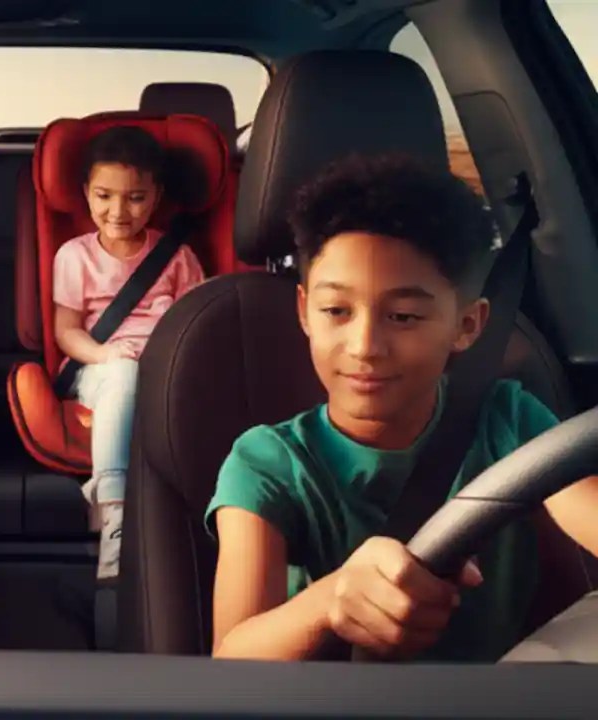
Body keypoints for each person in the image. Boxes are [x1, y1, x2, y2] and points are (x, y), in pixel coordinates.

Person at [208, 154, 598, 662]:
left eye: (404, 316)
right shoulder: (267, 463)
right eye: (336, 311)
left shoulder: (508, 420)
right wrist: (330, 600)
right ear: (304, 311)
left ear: (467, 326)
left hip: (495, 694)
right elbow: (230, 659)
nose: (365, 346)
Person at [52, 126, 205, 580]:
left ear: (156, 197)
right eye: (104, 196)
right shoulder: (75, 255)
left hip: (164, 367)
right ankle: (115, 513)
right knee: (123, 375)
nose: (118, 211)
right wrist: (106, 355)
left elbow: (196, 325)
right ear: (86, 192)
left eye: (135, 198)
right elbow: (66, 331)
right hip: (99, 367)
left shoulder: (177, 257)